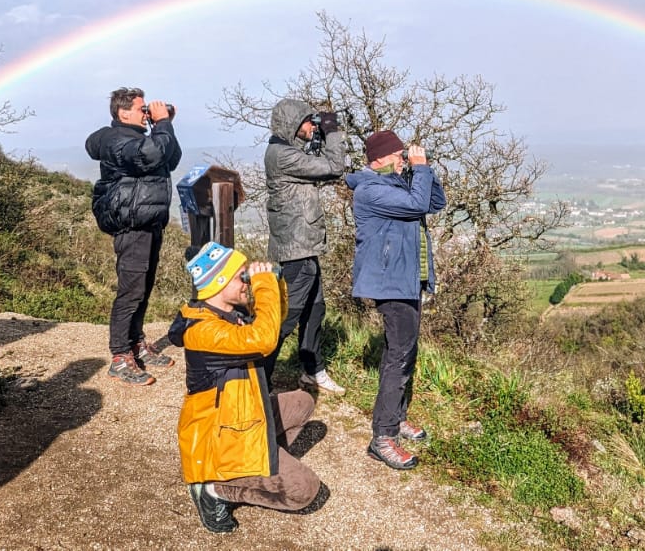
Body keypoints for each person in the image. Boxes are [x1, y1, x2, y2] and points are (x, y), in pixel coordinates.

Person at [168, 242, 323, 534]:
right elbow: (264, 341)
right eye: (242, 276)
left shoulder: (227, 314)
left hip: (241, 417)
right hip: (219, 440)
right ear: (220, 281)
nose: (247, 282)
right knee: (304, 488)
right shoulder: (204, 331)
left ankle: (261, 460)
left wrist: (274, 283)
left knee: (303, 402)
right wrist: (263, 283)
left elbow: (273, 323)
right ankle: (217, 489)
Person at [344, 129, 446, 470]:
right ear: (378, 159)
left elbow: (434, 203)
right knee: (398, 356)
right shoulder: (371, 189)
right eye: (398, 154)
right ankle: (383, 436)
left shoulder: (395, 182)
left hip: (406, 278)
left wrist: (423, 169)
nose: (403, 158)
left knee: (404, 351)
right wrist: (419, 170)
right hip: (391, 281)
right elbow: (418, 203)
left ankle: (396, 417)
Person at [84, 86, 182, 386]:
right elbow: (151, 157)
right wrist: (161, 124)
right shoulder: (117, 140)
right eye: (142, 109)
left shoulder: (138, 137)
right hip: (132, 226)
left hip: (149, 222)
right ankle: (119, 356)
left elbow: (171, 159)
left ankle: (137, 343)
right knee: (130, 291)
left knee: (143, 289)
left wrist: (164, 125)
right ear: (123, 111)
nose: (146, 113)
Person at [263, 98, 349, 395]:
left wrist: (320, 135)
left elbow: (321, 166)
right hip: (296, 249)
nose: (312, 126)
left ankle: (312, 371)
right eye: (308, 122)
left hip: (304, 246)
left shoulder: (288, 152)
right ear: (292, 124)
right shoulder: (282, 155)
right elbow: (335, 166)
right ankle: (259, 378)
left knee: (315, 310)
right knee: (287, 317)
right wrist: (332, 129)